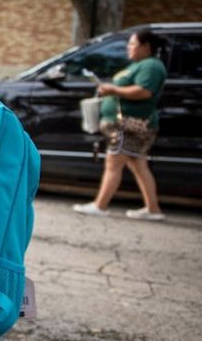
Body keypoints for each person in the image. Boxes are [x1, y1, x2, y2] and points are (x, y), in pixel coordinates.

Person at [72, 31, 168, 220]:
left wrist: (113, 89)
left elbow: (143, 91)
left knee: (113, 163)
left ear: (146, 47)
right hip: (132, 124)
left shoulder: (151, 66)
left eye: (132, 44)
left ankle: (100, 205)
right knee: (138, 165)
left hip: (131, 124)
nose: (128, 48)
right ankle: (153, 209)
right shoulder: (141, 65)